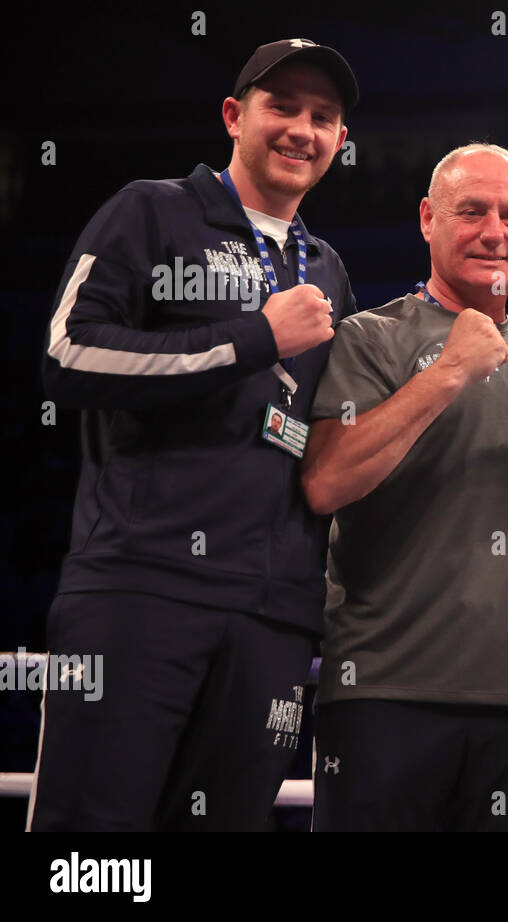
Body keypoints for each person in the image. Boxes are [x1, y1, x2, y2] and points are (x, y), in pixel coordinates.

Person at [32, 39, 360, 831]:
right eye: (282, 107)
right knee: (93, 845)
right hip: (140, 589)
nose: (302, 130)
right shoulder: (151, 210)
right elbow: (67, 356)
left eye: (323, 117)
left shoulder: (326, 269)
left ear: (340, 142)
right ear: (233, 115)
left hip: (273, 616)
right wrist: (253, 336)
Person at [302, 144, 508, 832]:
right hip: (381, 693)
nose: (495, 230)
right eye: (472, 211)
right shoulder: (370, 336)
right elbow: (325, 481)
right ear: (429, 219)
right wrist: (449, 371)